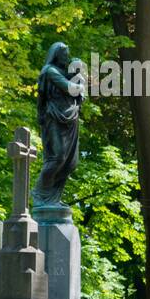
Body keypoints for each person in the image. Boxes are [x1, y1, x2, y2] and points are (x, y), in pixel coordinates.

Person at [33, 41, 85, 209]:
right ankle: (40, 193)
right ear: (56, 55)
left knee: (71, 162)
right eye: (64, 55)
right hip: (55, 117)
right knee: (58, 157)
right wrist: (79, 82)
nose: (67, 58)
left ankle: (54, 198)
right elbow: (71, 88)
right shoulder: (51, 72)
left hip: (71, 120)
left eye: (67, 55)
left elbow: (79, 94)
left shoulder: (65, 73)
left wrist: (79, 77)